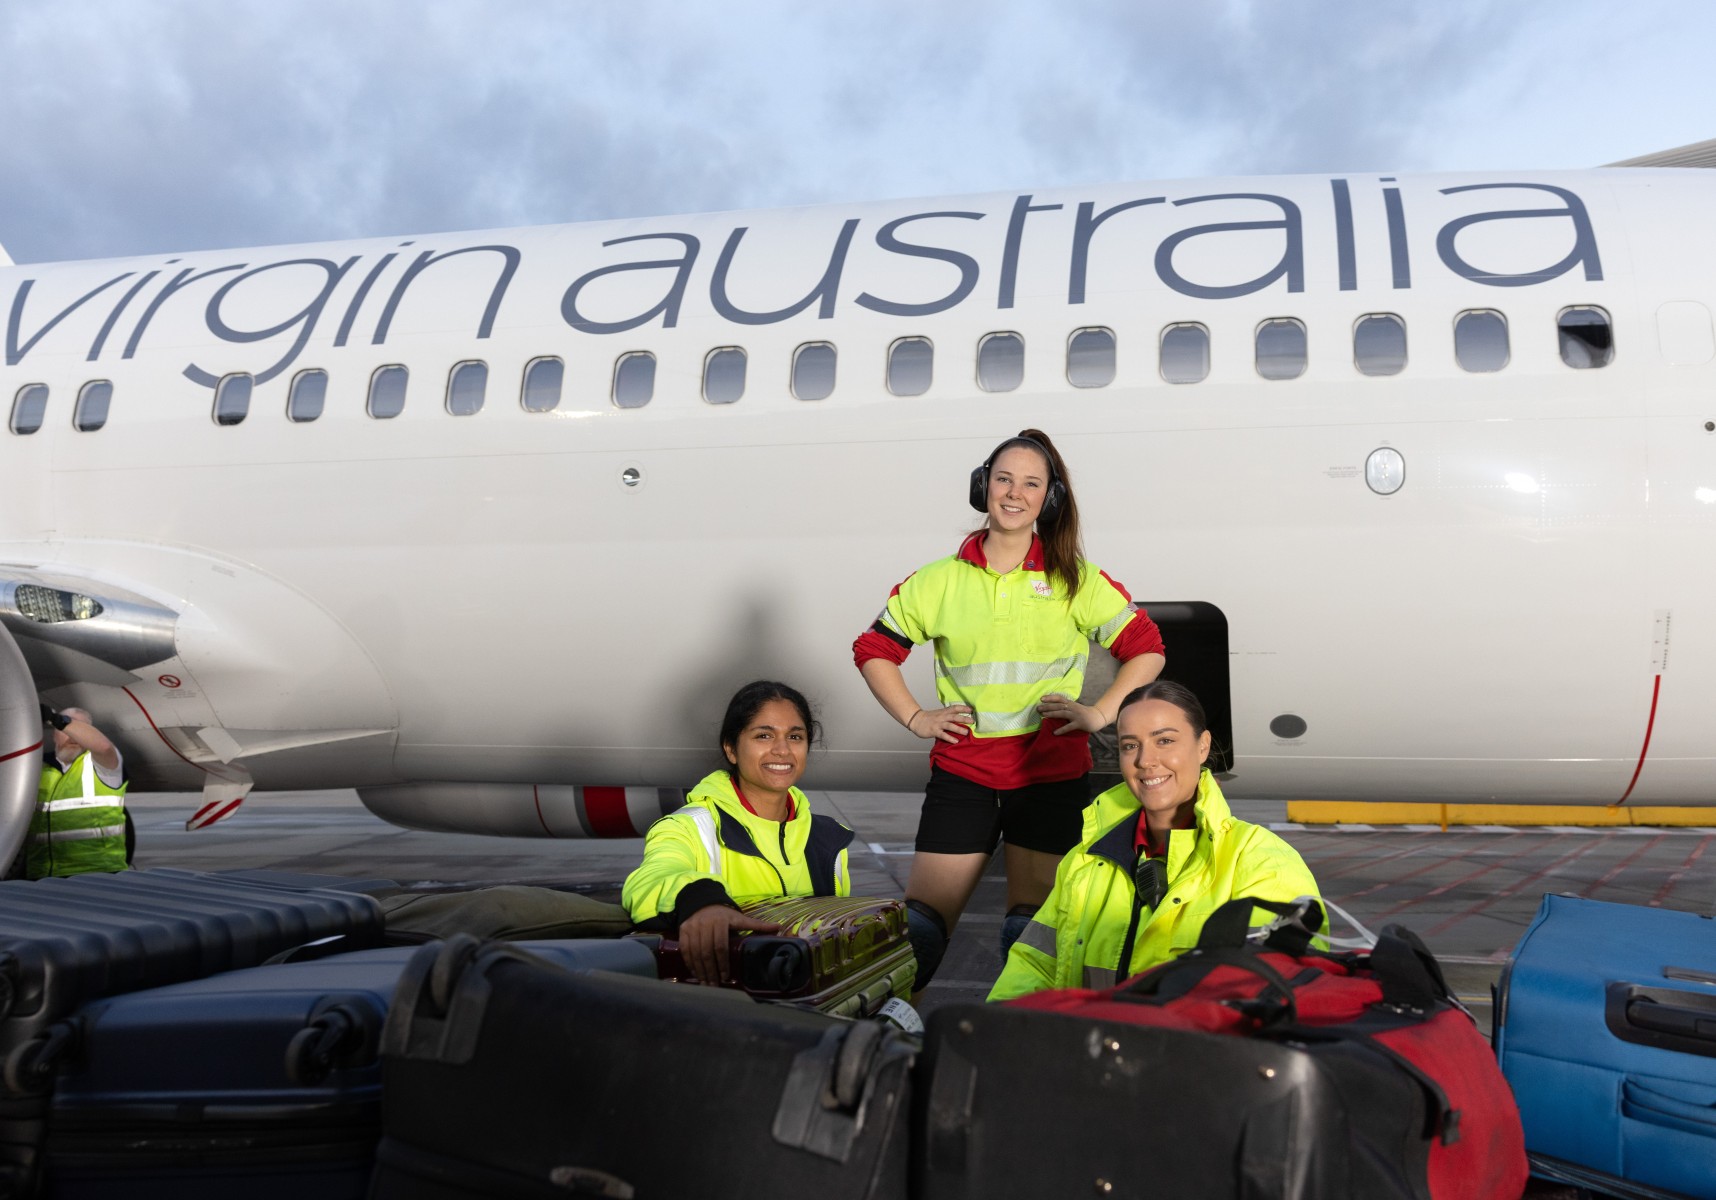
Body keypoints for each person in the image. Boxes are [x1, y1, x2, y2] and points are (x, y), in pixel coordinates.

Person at [853, 429, 1166, 990]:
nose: (1014, 493)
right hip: (964, 774)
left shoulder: (1075, 578)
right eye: (1003, 479)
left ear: (1048, 499)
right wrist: (917, 717)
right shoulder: (938, 581)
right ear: (983, 486)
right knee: (919, 933)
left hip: (1047, 776)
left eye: (1031, 483)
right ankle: (888, 1050)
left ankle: (1013, 1052)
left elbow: (1147, 648)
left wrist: (1099, 713)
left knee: (1029, 938)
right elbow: (873, 649)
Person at [988, 680, 1321, 1002]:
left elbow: (1284, 989)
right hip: (1091, 1051)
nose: (1145, 761)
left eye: (1164, 741)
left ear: (1202, 746)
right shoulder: (1085, 860)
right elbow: (1032, 966)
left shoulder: (1260, 859)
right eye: (1130, 745)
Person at [622, 680, 855, 985]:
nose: (782, 750)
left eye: (795, 736)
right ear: (731, 749)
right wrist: (702, 901)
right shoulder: (690, 826)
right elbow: (648, 880)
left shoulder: (829, 838)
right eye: (764, 735)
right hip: (727, 1005)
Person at [28, 704, 130, 879]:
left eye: (79, 729)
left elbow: (103, 747)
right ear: (53, 734)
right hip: (43, 875)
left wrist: (56, 719)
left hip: (99, 874)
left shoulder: (106, 766)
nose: (73, 736)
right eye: (63, 729)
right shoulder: (36, 769)